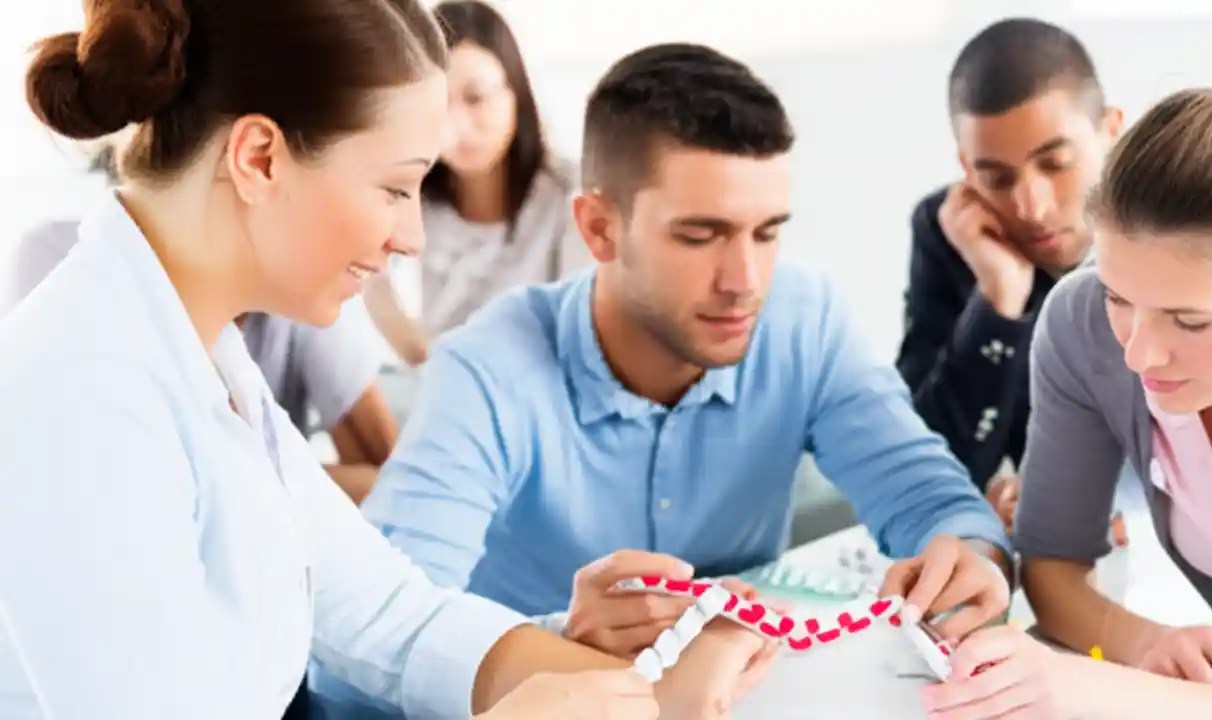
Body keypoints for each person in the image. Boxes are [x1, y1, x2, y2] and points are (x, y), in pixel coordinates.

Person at [0, 1, 772, 718]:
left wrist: (647, 678)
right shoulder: (81, 389)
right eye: (396, 188)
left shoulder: (207, 359)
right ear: (260, 157)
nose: (414, 237)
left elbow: (393, 619)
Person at [358, 42, 1012, 661]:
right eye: (701, 236)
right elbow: (373, 636)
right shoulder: (487, 368)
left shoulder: (805, 319)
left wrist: (972, 560)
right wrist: (558, 644)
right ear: (598, 227)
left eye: (766, 233)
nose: (745, 282)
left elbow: (932, 499)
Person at [919, 60, 1212, 720]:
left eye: (1191, 321)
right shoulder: (1084, 324)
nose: (1138, 352)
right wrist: (1137, 643)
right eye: (1121, 297)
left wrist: (1110, 689)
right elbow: (1051, 562)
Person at [3, 148, 395, 503]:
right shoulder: (58, 260)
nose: (407, 238)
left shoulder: (299, 293)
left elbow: (395, 480)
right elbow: (91, 470)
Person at [894, 19, 1122, 529]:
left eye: (1056, 164)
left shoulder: (1177, 218)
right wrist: (999, 298)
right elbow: (920, 466)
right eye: (996, 178)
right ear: (966, 169)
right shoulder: (954, 233)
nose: (1031, 207)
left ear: (1111, 131)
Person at [364, 0, 588, 367]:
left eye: (476, 98)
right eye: (440, 103)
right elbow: (372, 282)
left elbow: (579, 331)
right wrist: (424, 357)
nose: (458, 126)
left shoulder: (569, 194)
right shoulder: (416, 196)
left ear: (514, 89)